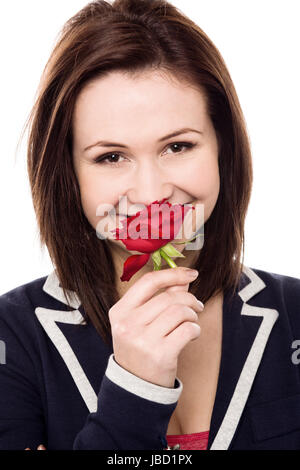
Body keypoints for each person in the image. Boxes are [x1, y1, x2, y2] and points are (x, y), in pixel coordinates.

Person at [0, 0, 300, 451]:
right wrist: (135, 387)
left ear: (223, 148)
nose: (150, 192)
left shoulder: (294, 314)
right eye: (110, 157)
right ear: (69, 174)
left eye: (177, 147)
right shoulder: (12, 336)